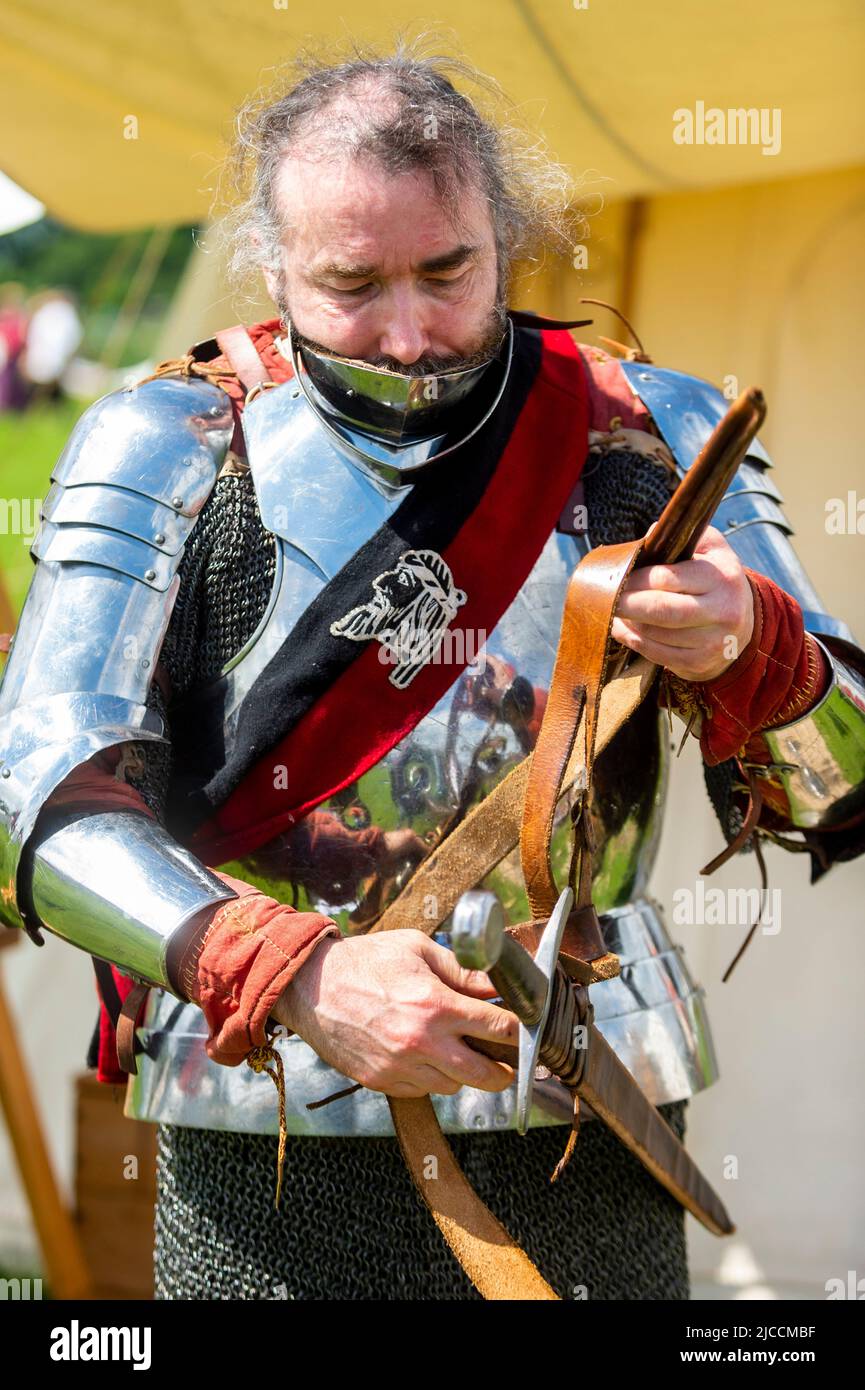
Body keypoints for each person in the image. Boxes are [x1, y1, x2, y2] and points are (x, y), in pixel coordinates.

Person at [1, 43, 863, 1302]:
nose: (407, 334)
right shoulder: (170, 446)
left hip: (583, 1088)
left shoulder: (647, 432)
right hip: (270, 1111)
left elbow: (842, 788)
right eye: (350, 283)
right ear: (276, 263)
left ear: (503, 237)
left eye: (447, 272)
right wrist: (293, 971)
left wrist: (760, 653)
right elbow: (35, 791)